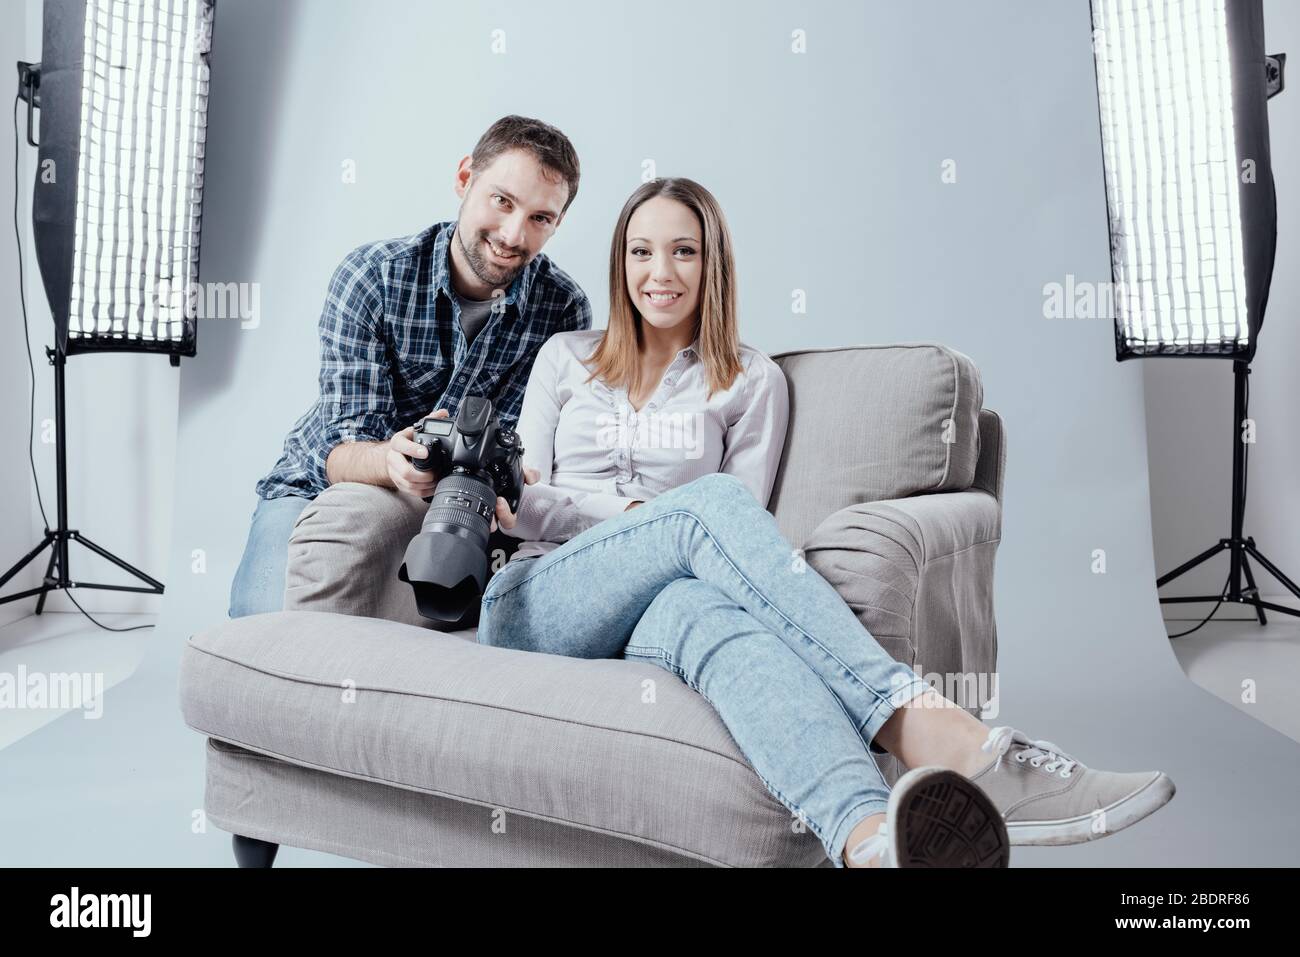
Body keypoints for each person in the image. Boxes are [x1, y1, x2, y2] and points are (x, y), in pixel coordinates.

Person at [476, 176, 1177, 868]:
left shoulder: (750, 380)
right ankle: (950, 738)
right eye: (641, 252)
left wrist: (661, 527)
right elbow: (519, 500)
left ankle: (871, 839)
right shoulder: (565, 358)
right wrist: (640, 516)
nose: (660, 272)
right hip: (540, 598)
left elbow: (737, 533)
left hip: (659, 608)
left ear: (712, 263)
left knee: (711, 613)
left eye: (683, 251)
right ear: (619, 262)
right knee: (704, 509)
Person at [229, 116, 590, 618]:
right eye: (502, 201)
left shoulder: (564, 309)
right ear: (465, 178)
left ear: (558, 223)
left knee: (441, 637)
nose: (513, 234)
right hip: (324, 481)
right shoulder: (373, 276)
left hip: (459, 504)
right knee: (263, 625)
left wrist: (513, 482)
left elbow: (523, 444)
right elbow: (343, 446)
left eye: (540, 218)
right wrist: (391, 461)